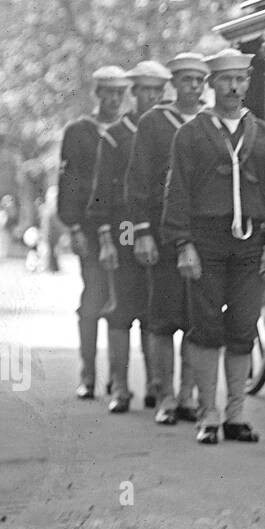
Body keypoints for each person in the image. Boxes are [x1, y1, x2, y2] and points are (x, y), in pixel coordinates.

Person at [161, 48, 265, 445]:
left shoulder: (264, 133)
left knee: (243, 326)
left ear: (248, 82)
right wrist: (183, 244)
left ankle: (235, 415)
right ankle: (208, 415)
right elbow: (177, 191)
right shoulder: (191, 133)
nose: (234, 87)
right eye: (226, 80)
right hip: (206, 241)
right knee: (205, 327)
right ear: (211, 84)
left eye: (241, 79)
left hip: (251, 242)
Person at [126, 52, 208, 426]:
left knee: (197, 318)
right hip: (162, 233)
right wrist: (141, 231)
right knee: (161, 319)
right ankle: (166, 396)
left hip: (204, 233)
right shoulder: (154, 122)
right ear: (173, 83)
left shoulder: (212, 121)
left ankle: (189, 395)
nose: (193, 86)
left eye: (199, 80)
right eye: (186, 79)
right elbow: (138, 180)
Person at [88, 60, 170, 412]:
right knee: (121, 308)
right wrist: (106, 240)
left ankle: (156, 383)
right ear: (133, 94)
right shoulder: (115, 136)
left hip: (159, 231)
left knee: (157, 311)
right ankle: (120, 386)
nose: (150, 97)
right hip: (123, 232)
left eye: (156, 90)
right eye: (144, 90)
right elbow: (101, 194)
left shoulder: (170, 131)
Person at [57, 65, 130, 399]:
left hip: (124, 225)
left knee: (124, 301)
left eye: (120, 93)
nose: (114, 100)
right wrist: (73, 226)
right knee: (94, 294)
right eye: (108, 93)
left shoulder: (131, 129)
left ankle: (119, 380)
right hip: (89, 224)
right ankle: (88, 374)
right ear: (97, 94)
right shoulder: (79, 132)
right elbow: (68, 181)